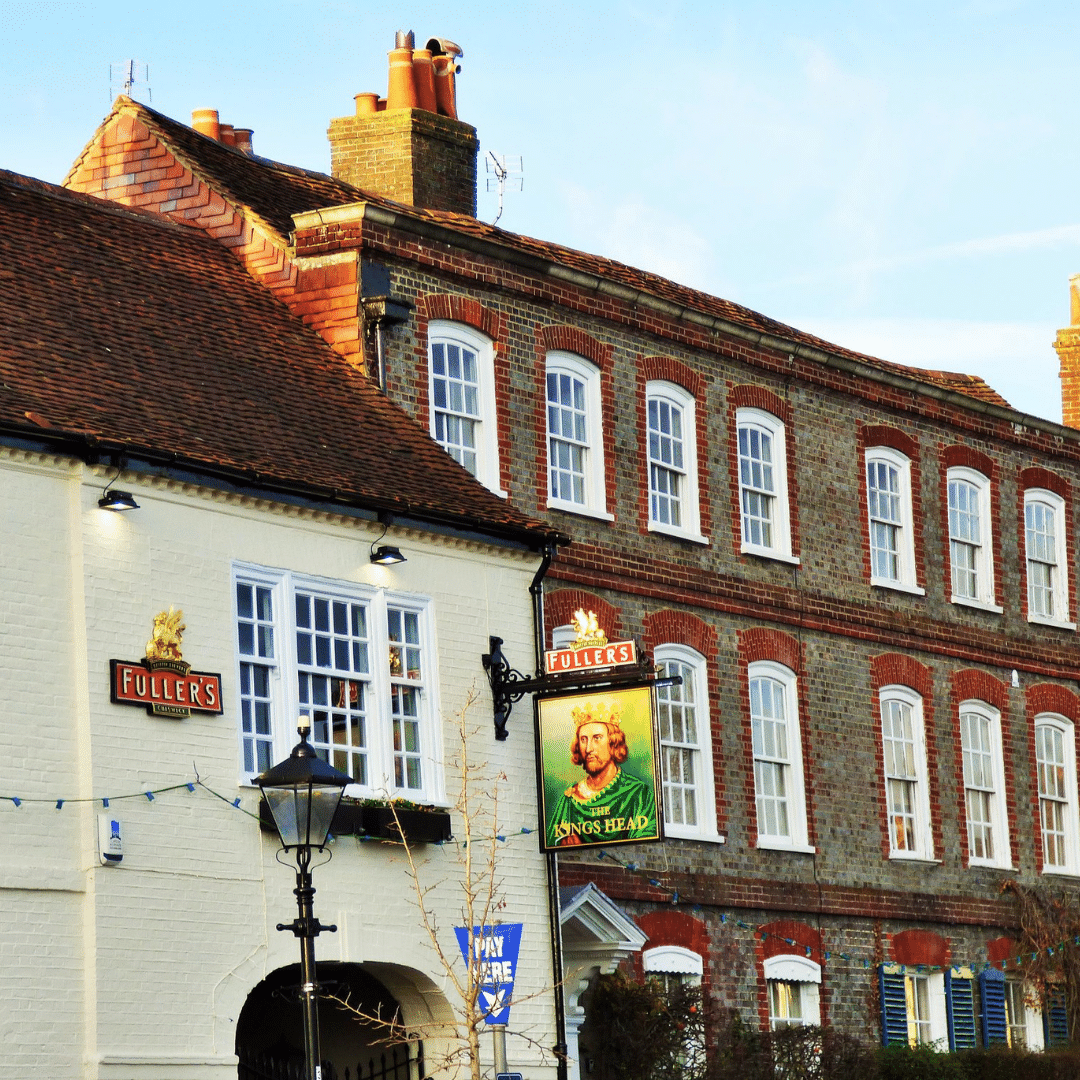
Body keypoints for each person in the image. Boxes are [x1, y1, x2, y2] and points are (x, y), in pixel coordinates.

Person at [546, 699, 656, 847]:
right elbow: (553, 841)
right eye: (583, 740)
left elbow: (644, 845)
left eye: (597, 738)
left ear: (613, 743)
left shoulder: (638, 793)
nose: (588, 748)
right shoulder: (569, 800)